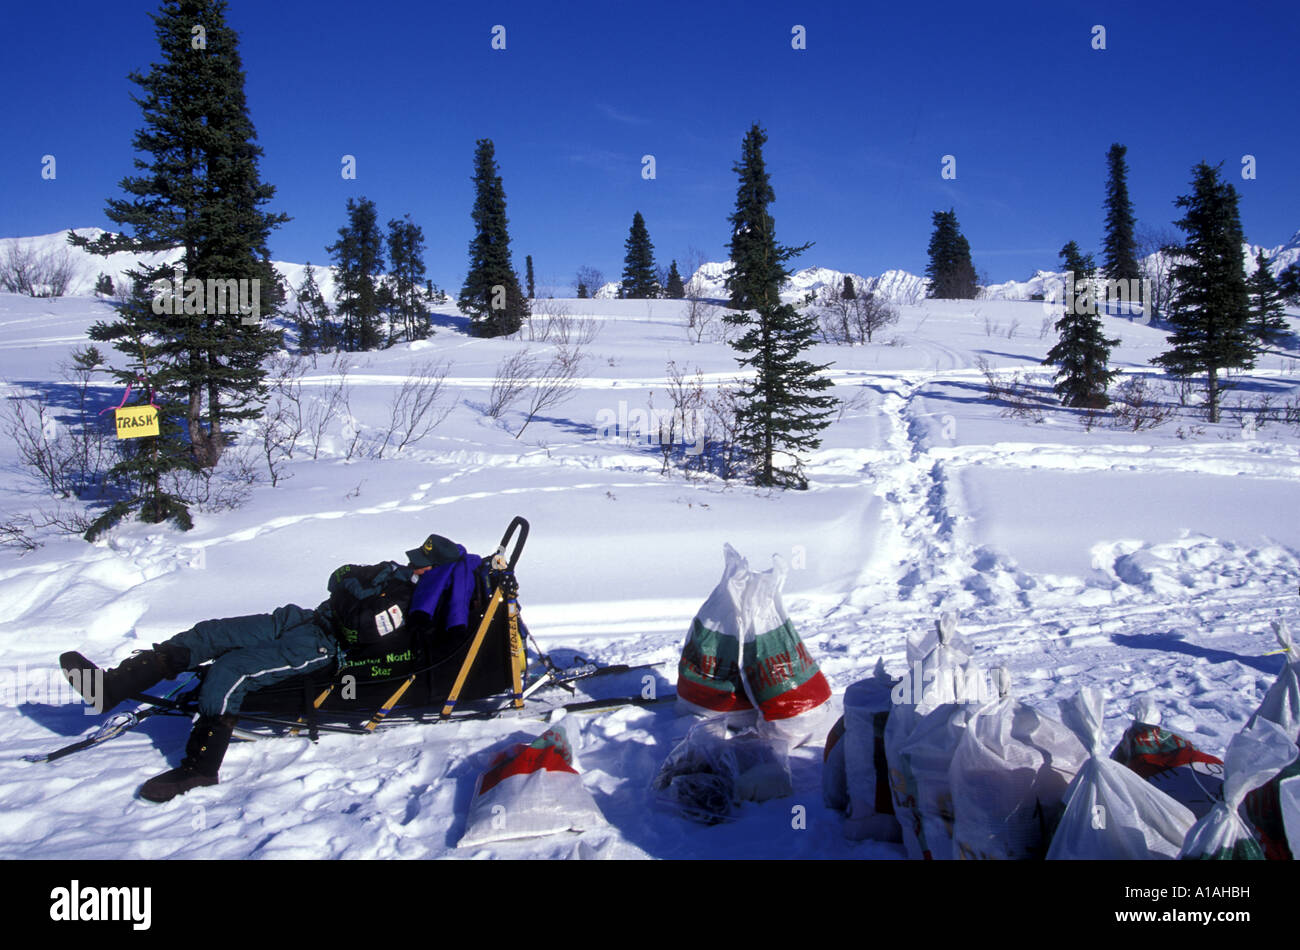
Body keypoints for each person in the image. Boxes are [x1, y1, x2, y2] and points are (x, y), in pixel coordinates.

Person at [60, 533, 466, 803]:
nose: (414, 565)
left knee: (230, 670)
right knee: (209, 633)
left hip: (321, 645)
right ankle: (110, 688)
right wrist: (349, 587)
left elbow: (356, 618)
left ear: (437, 572)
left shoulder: (410, 601)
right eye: (416, 560)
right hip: (302, 618)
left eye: (423, 565)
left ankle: (200, 768)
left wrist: (350, 587)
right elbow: (338, 578)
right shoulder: (397, 575)